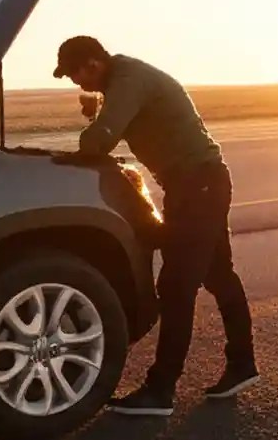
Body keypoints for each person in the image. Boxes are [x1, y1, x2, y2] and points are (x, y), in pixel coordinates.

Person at [53, 35, 260, 416]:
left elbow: (99, 140)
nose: (75, 84)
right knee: (217, 275)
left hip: (197, 186)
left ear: (93, 64)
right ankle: (243, 364)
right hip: (201, 182)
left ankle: (161, 389)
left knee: (176, 286)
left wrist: (88, 137)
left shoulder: (128, 80)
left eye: (75, 75)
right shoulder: (123, 79)